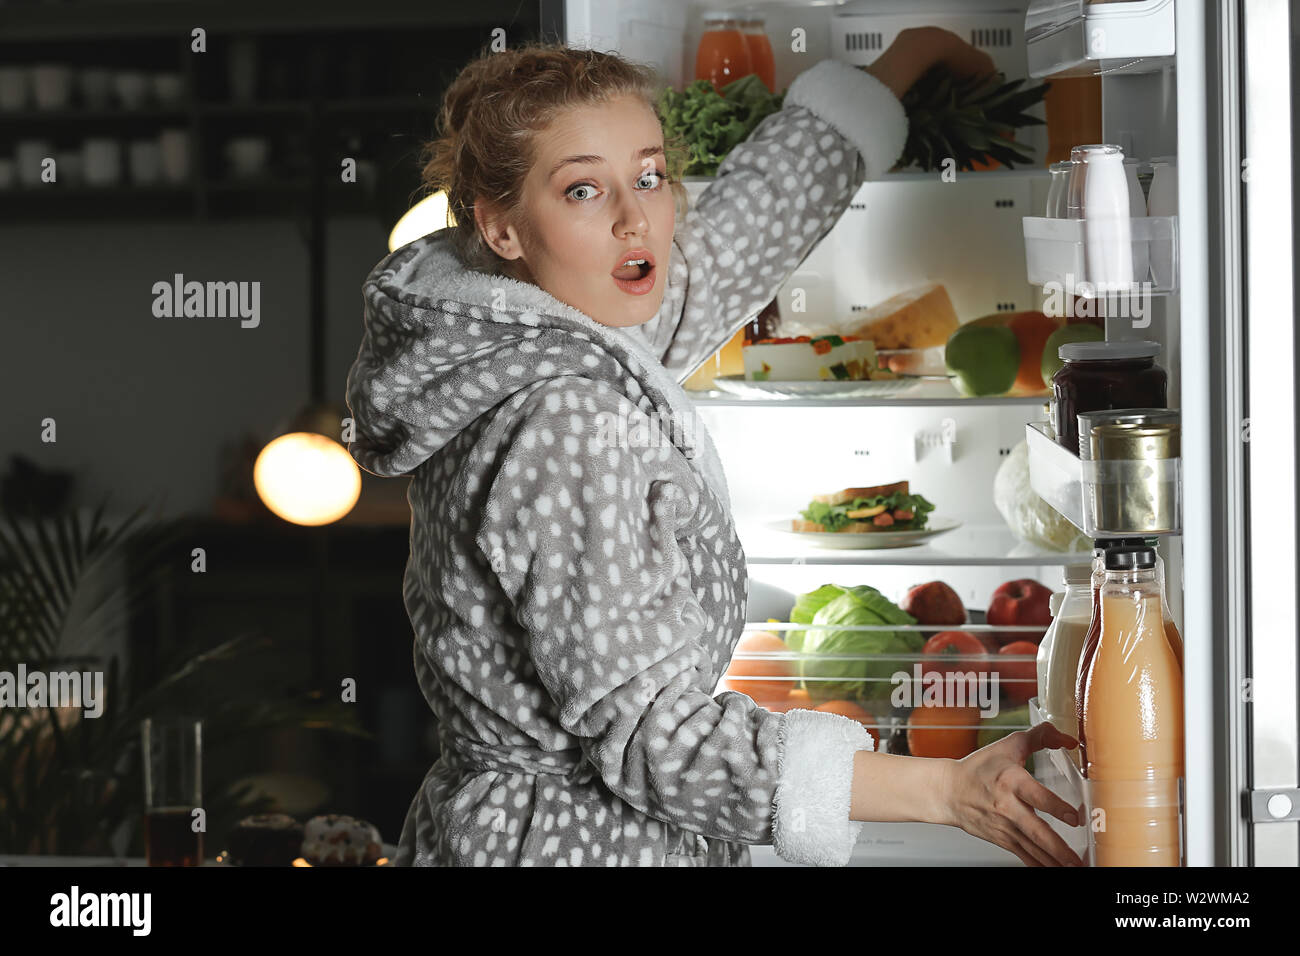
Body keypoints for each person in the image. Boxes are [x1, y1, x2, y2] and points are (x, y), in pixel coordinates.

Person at [346, 31, 1084, 867]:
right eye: (583, 188)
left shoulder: (547, 331)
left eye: (650, 175)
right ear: (502, 228)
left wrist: (901, 66)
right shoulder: (564, 423)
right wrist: (943, 790)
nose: (635, 216)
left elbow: (740, 235)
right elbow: (654, 735)